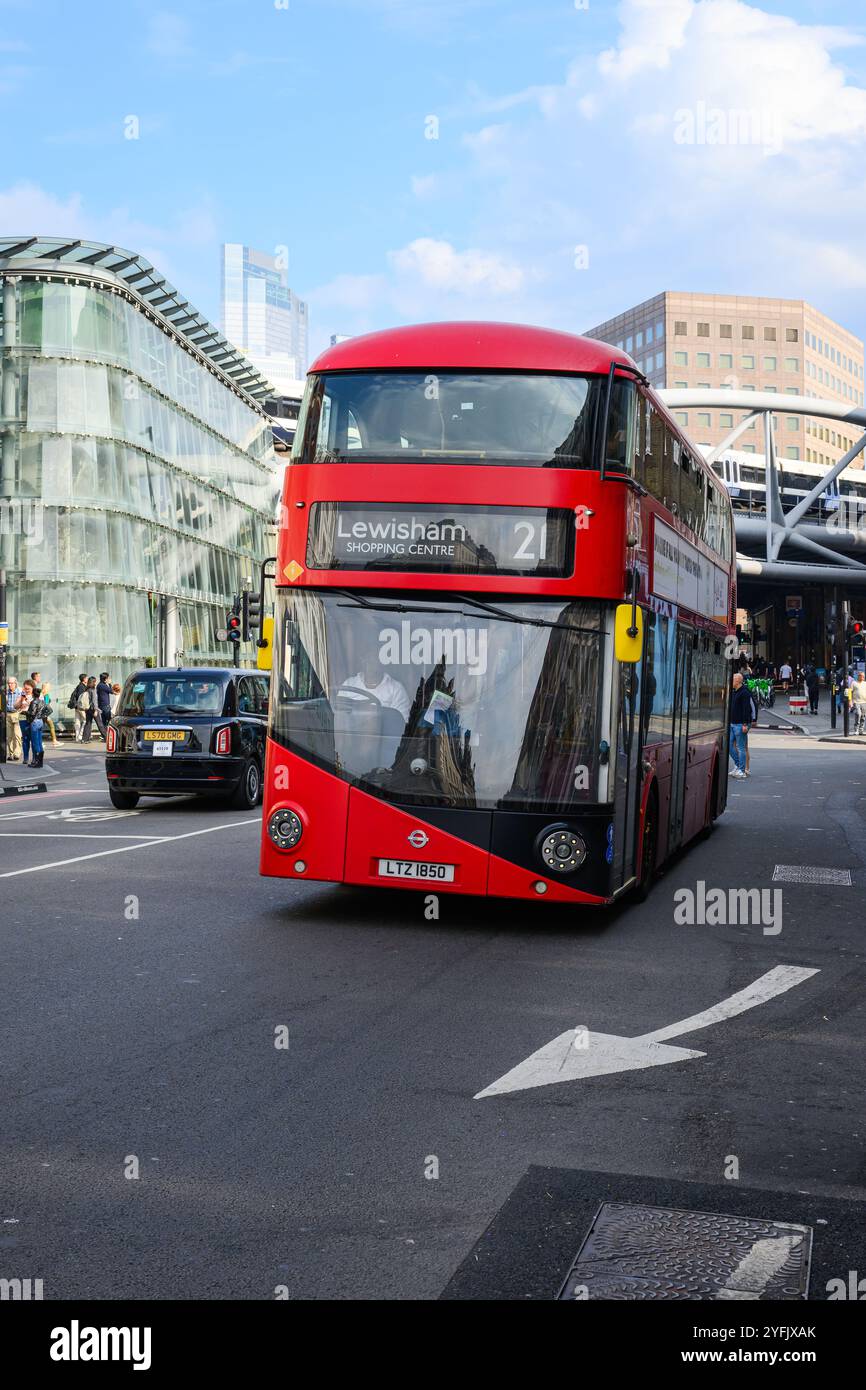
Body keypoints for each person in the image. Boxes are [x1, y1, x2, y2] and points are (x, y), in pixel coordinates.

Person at [340, 656, 411, 722]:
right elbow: (338, 713)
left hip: (382, 734)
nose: (370, 666)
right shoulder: (349, 684)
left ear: (382, 663)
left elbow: (401, 722)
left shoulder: (396, 689)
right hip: (350, 733)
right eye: (367, 660)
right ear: (362, 662)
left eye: (374, 661)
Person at [729, 671, 752, 779]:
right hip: (732, 723)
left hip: (740, 724)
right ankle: (738, 765)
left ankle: (742, 771)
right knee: (729, 745)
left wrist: (745, 724)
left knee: (741, 747)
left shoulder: (744, 693)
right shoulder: (734, 691)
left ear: (738, 681)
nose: (731, 681)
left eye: (733, 679)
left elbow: (746, 710)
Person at [20, 683, 46, 768]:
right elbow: (49, 710)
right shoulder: (42, 701)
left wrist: (24, 712)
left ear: (33, 694)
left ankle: (37, 762)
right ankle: (40, 762)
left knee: (35, 743)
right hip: (40, 721)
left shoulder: (33, 701)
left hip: (34, 722)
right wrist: (41, 715)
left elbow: (32, 713)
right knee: (39, 742)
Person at [5, 675, 23, 761]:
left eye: (11, 683)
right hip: (8, 714)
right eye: (8, 683)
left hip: (16, 714)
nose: (10, 685)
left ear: (15, 684)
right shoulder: (5, 692)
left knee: (17, 735)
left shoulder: (20, 692)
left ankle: (17, 753)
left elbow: (24, 701)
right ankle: (11, 754)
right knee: (9, 736)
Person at [80, 676, 99, 743]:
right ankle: (106, 737)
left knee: (88, 724)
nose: (96, 683)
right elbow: (94, 701)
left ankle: (84, 739)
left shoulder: (87, 689)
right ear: (93, 682)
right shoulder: (93, 690)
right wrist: (96, 710)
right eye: (95, 681)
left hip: (87, 709)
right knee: (100, 724)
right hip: (93, 709)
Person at [40, 681, 59, 746]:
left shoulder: (40, 693)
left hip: (40, 713)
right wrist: (47, 714)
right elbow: (46, 704)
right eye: (49, 687)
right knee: (51, 726)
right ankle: (54, 741)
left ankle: (41, 742)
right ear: (46, 687)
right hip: (45, 714)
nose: (50, 688)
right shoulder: (46, 695)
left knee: (40, 727)